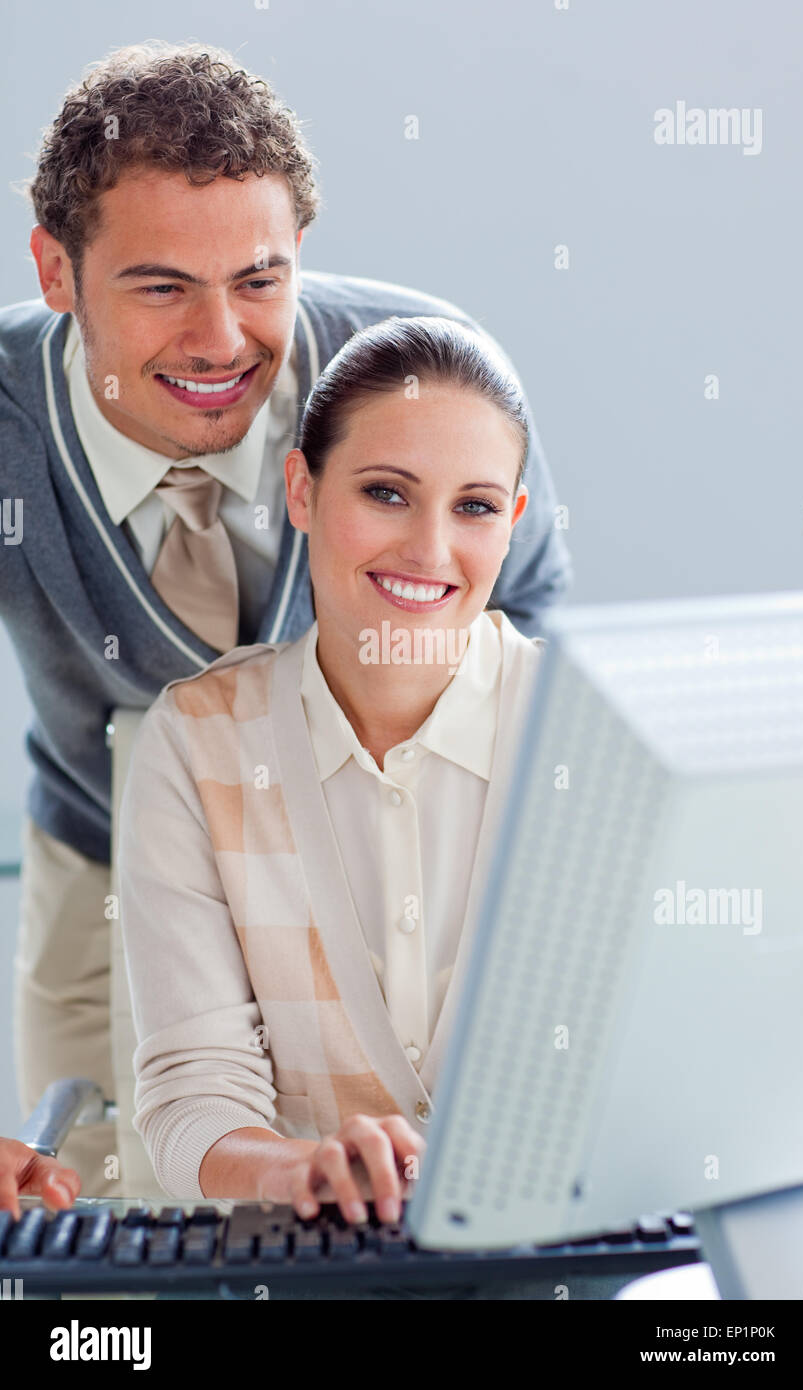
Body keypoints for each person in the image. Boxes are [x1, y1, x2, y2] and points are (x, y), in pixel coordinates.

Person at [0, 41, 570, 1203]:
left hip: (370, 836)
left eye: (258, 279)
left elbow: (531, 626)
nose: (221, 341)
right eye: (161, 286)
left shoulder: (416, 385)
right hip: (103, 833)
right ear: (55, 271)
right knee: (90, 1226)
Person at [118, 315, 546, 1226]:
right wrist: (304, 1170)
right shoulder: (198, 743)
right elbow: (194, 1101)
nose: (430, 551)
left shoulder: (587, 734)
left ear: (510, 523)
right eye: (386, 493)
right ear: (302, 491)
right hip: (307, 1267)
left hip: (565, 1255)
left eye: (472, 506)